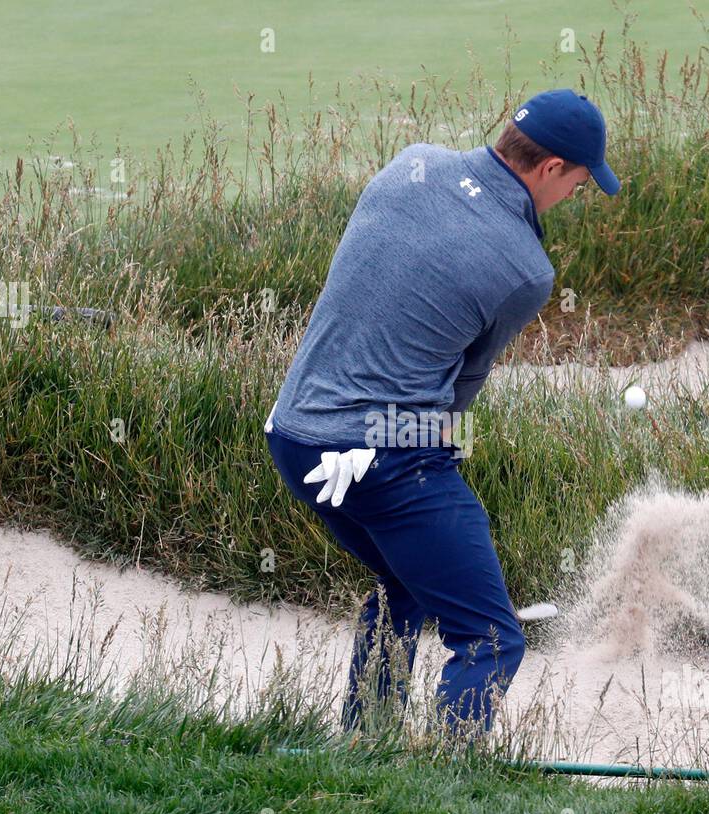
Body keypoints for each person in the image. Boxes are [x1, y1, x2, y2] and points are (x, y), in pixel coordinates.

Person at [263, 89, 620, 741]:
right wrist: (435, 473)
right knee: (488, 640)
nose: (575, 196)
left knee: (403, 585)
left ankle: (368, 745)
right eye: (578, 183)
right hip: (380, 453)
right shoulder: (527, 267)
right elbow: (465, 381)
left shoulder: (411, 162)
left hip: (291, 433)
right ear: (550, 169)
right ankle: (447, 778)